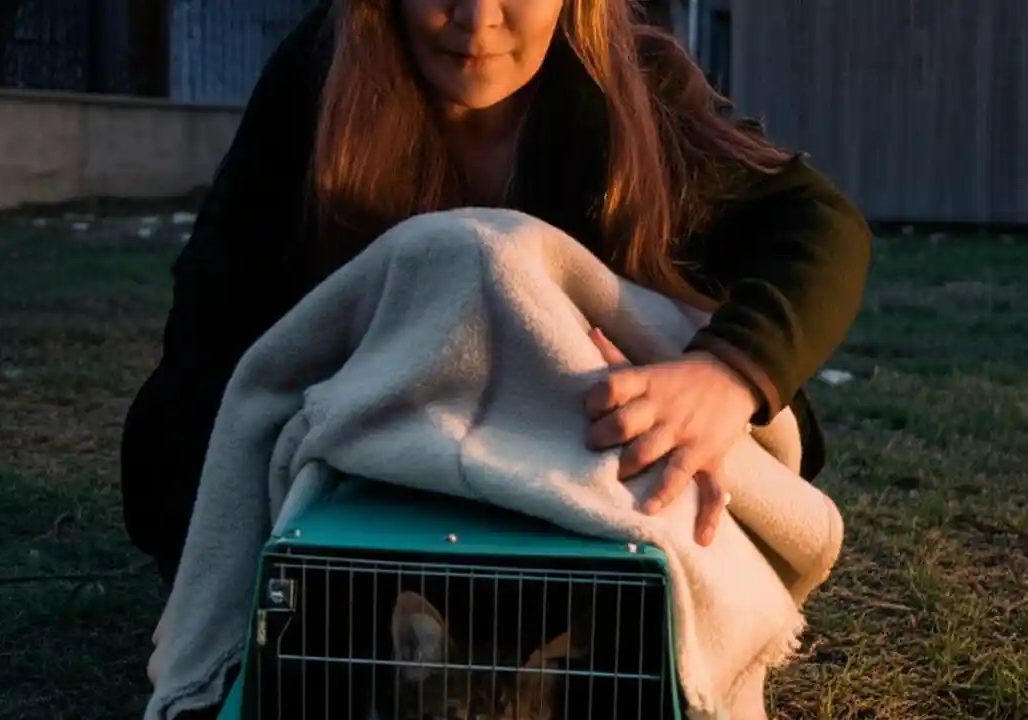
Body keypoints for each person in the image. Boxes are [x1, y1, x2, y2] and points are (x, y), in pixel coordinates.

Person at [122, 0, 871, 589]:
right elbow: (213, 328)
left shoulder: (634, 87)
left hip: (588, 422)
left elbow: (819, 223)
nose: (478, 17)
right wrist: (219, 560)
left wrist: (726, 374)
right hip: (392, 432)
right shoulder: (321, 75)